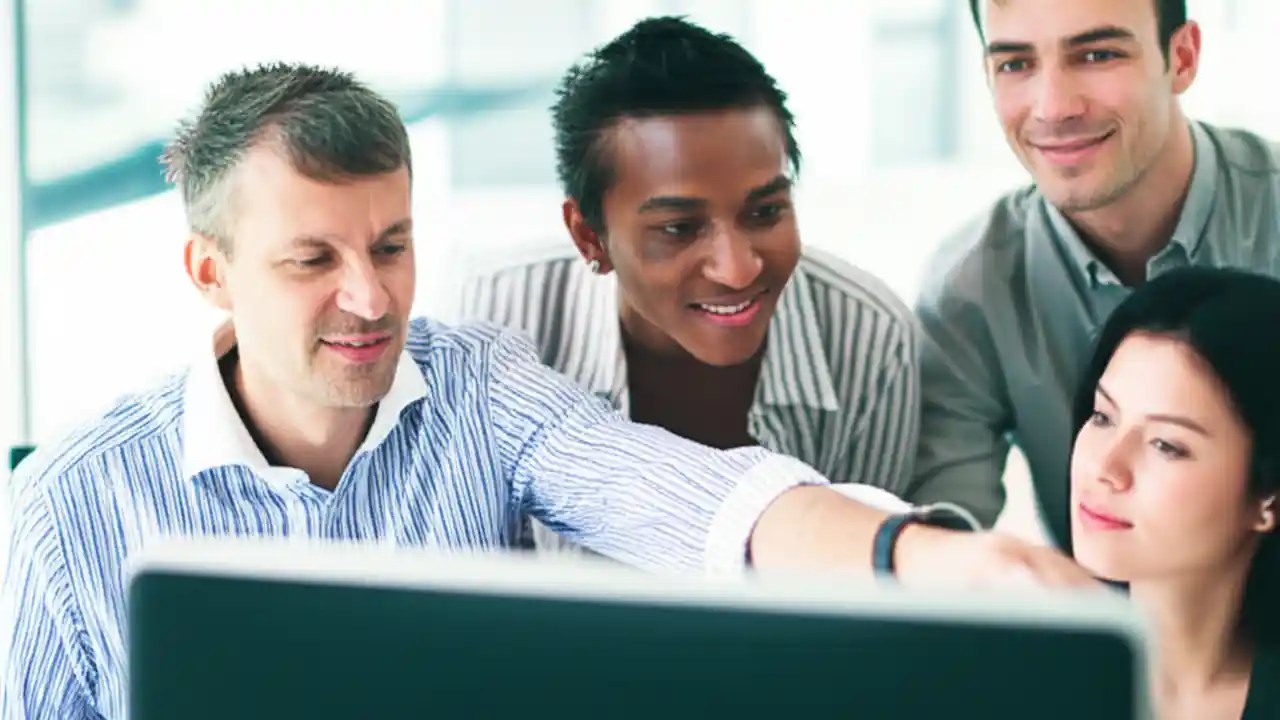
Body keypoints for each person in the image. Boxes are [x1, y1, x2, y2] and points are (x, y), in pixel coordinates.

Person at [0, 64, 1093, 719]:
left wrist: (928, 554)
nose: (370, 296)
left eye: (391, 243)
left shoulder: (480, 390)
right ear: (210, 272)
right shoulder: (71, 503)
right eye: (310, 261)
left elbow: (698, 499)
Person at [462, 17, 919, 555]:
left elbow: (858, 593)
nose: (737, 269)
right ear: (590, 237)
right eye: (679, 228)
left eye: (766, 211)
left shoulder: (868, 339)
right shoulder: (497, 323)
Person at [911, 0, 1280, 545]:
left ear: (1181, 58)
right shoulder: (970, 291)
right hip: (1106, 620)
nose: (1053, 108)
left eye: (1098, 54)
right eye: (1015, 64)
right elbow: (946, 550)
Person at [1068, 267, 1280, 719]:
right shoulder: (1013, 678)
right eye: (1103, 416)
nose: (1107, 468)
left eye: (1166, 445)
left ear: (1269, 497)